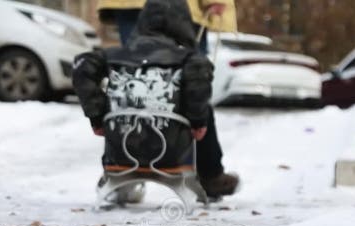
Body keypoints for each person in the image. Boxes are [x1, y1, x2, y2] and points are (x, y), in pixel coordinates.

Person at [72, 0, 215, 204]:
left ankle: (119, 185)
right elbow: (199, 80)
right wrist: (198, 122)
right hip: (171, 154)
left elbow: (81, 66)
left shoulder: (115, 56)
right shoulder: (189, 60)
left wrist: (98, 115)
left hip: (120, 152)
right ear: (182, 24)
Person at [95, 0, 239, 198]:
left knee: (133, 82)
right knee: (192, 83)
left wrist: (96, 115)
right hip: (179, 7)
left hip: (133, 4)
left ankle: (121, 170)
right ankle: (209, 174)